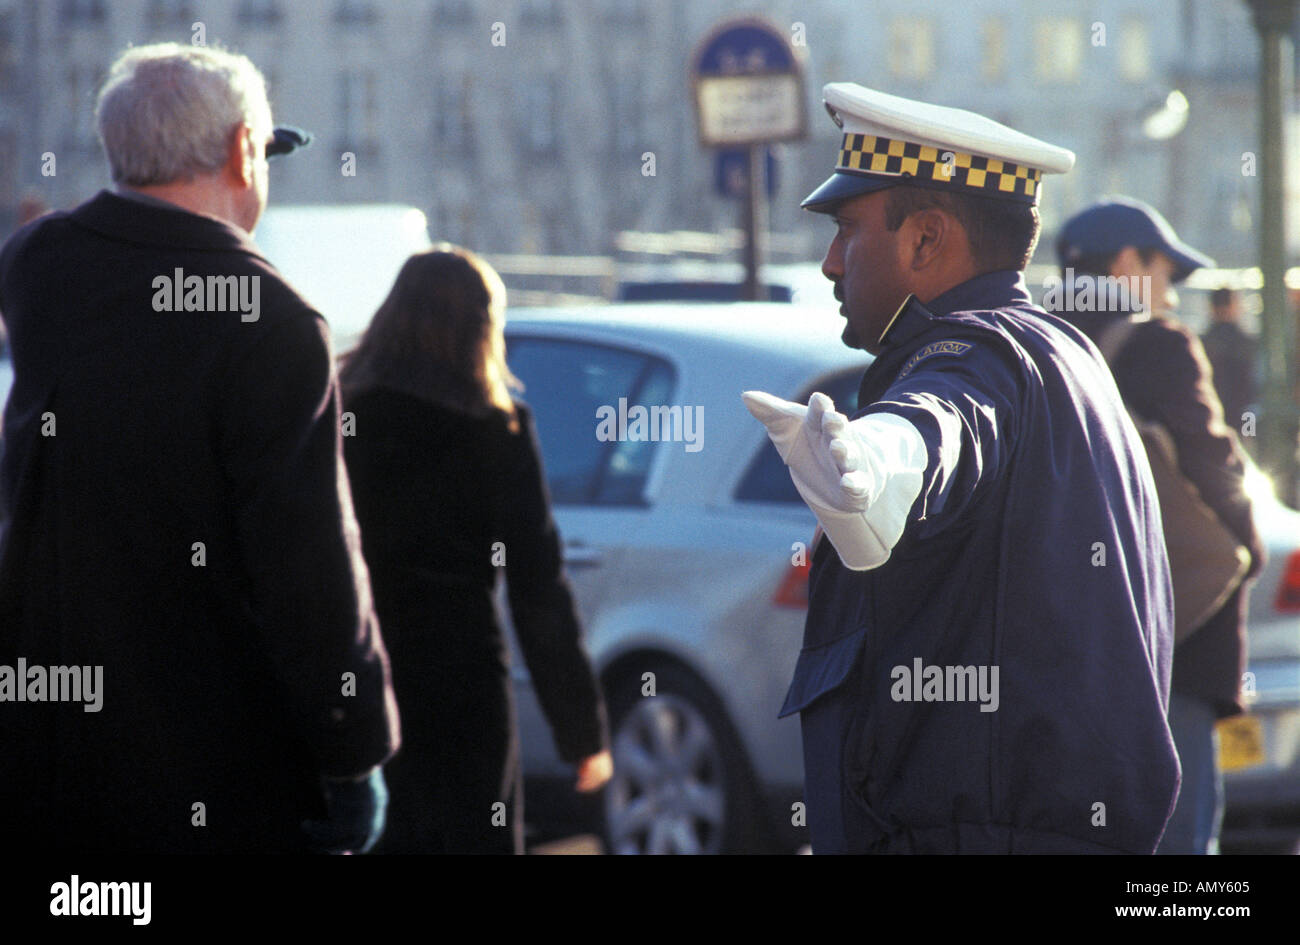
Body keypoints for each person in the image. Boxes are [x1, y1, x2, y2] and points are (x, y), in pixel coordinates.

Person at [742, 83, 1179, 854]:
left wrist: (879, 464)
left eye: (848, 229)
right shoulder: (1061, 353)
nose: (831, 262)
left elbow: (943, 425)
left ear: (925, 240)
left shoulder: (973, 354)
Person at [0, 43, 399, 854]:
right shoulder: (273, 320)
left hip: (44, 744)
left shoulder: (37, 266)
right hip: (214, 766)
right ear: (242, 150)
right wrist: (353, 747)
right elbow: (310, 564)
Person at [339, 247, 611, 854]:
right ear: (484, 331)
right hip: (464, 690)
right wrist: (581, 732)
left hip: (358, 675)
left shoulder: (343, 414)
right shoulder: (497, 430)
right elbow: (539, 591)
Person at [1053, 198, 1264, 854]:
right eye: (1164, 270)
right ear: (1126, 263)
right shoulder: (1162, 345)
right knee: (1179, 830)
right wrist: (1247, 549)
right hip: (1174, 623)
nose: (1170, 291)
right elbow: (1213, 461)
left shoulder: (1034, 343)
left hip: (1065, 630)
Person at [1201, 287, 1259, 442]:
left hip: (1211, 421)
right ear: (1235, 306)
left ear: (1212, 308)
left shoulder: (1201, 343)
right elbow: (1251, 393)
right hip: (1243, 420)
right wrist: (1249, 432)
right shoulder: (1248, 344)